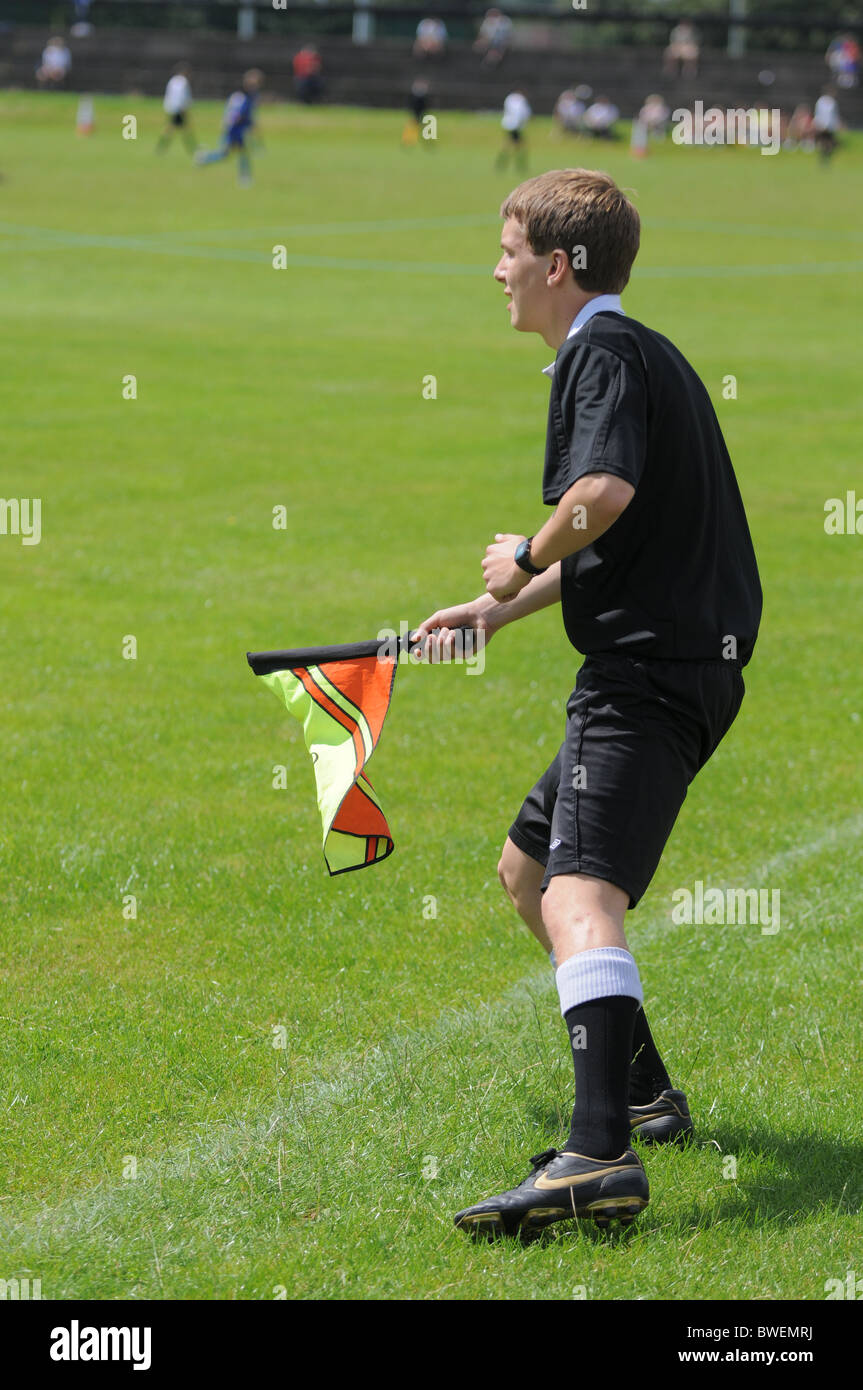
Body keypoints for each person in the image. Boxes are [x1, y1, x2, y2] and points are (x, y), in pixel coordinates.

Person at [414, 168, 762, 1239]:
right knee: (529, 874)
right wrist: (493, 609)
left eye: (509, 251)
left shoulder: (596, 354)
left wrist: (519, 552)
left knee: (578, 896)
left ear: (558, 266)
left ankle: (596, 1153)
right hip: (671, 660)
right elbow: (622, 531)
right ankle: (645, 1098)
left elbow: (594, 499)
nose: (497, 271)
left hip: (647, 674)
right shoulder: (638, 352)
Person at [195, 69, 264, 186]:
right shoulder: (241, 97)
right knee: (230, 154)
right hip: (234, 130)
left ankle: (205, 158)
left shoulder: (248, 96)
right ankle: (244, 178)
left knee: (230, 154)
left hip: (237, 129)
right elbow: (236, 115)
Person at [156, 63, 196, 156]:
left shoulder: (172, 81)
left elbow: (169, 95)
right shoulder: (183, 82)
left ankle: (161, 147)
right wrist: (184, 108)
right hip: (179, 109)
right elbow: (183, 96)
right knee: (182, 129)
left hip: (171, 108)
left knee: (173, 128)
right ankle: (192, 148)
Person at [496, 89, 531, 170]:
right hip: (516, 125)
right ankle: (520, 166)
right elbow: (523, 112)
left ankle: (501, 164)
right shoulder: (521, 100)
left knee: (509, 144)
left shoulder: (509, 98)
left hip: (508, 124)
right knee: (519, 146)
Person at [812, 86, 841, 162]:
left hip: (830, 126)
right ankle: (824, 157)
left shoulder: (832, 102)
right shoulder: (821, 101)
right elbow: (819, 114)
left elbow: (833, 115)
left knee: (829, 143)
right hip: (822, 126)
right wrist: (820, 124)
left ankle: (826, 157)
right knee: (824, 142)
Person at [402, 78, 432, 147]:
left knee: (421, 129)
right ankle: (408, 141)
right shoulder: (416, 96)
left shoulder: (421, 95)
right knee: (413, 128)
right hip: (416, 115)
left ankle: (426, 142)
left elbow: (425, 106)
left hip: (421, 115)